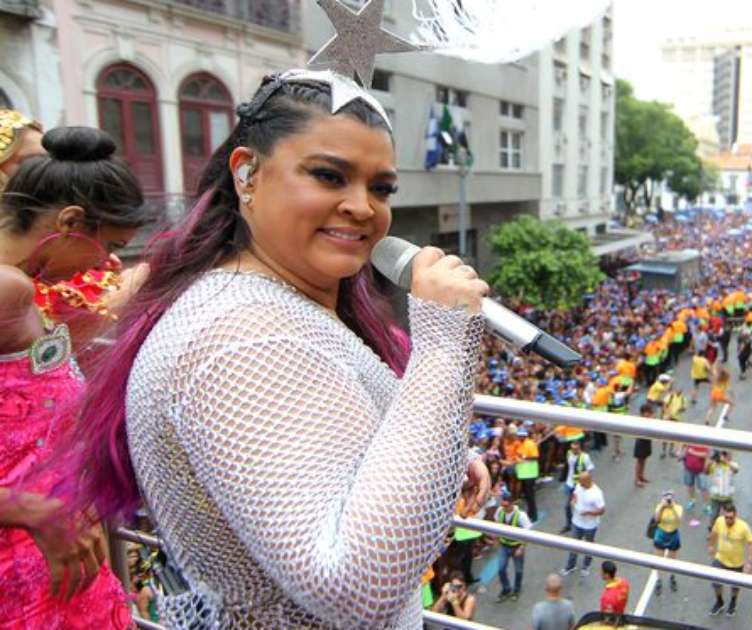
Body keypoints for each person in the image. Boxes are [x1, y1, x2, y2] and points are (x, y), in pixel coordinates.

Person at [56, 71, 492, 628]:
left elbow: (322, 443)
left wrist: (438, 454)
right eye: (328, 175)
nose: (362, 207)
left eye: (381, 189)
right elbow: (358, 584)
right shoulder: (240, 335)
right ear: (247, 174)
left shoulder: (276, 302)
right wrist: (445, 345)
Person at [2, 125, 154, 630]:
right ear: (68, 222)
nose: (108, 263)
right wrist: (30, 509)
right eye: (109, 244)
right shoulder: (7, 291)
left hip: (52, 568)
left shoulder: (25, 289)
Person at [708, 503, 752, 617]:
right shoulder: (720, 521)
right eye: (726, 517)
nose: (728, 520)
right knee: (716, 583)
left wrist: (749, 562)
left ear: (735, 516)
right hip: (720, 559)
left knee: (735, 586)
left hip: (736, 563)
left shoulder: (743, 527)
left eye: (731, 517)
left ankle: (733, 602)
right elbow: (714, 533)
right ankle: (719, 601)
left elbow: (751, 544)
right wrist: (711, 545)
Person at [562, 471, 605, 576]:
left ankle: (586, 565)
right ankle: (570, 566)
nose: (579, 484)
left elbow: (602, 510)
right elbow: (575, 494)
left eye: (581, 482)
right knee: (574, 545)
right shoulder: (579, 486)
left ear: (588, 480)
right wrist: (573, 500)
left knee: (588, 545)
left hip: (590, 525)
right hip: (576, 522)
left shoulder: (597, 494)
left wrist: (588, 512)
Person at [494, 492, 533, 602]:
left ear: (512, 503)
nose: (504, 508)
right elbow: (497, 525)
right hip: (504, 545)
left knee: (518, 571)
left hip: (516, 547)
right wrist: (496, 538)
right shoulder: (499, 511)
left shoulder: (521, 515)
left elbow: (528, 533)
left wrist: (522, 547)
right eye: (503, 505)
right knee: (501, 569)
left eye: (506, 505)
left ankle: (516, 590)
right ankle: (506, 589)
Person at [651, 490, 684, 595]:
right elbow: (657, 519)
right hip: (661, 533)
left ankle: (672, 576)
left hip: (673, 534)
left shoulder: (678, 508)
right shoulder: (659, 507)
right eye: (666, 498)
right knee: (659, 559)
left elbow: (679, 520)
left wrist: (673, 507)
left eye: (670, 498)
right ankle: (659, 580)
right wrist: (662, 507)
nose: (669, 500)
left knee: (672, 559)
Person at [560, 440, 594, 534]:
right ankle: (569, 524)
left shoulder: (585, 457)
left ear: (579, 447)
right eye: (572, 447)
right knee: (567, 506)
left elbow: (590, 470)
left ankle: (582, 525)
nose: (574, 450)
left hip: (579, 485)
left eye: (576, 448)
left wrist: (588, 484)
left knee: (580, 505)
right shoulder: (569, 454)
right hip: (569, 484)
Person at [708, 450, 740, 521]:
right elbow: (706, 471)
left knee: (729, 515)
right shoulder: (714, 465)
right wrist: (711, 460)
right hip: (715, 496)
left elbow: (736, 469)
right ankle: (713, 528)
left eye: (725, 454)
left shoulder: (732, 464)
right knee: (714, 515)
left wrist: (726, 461)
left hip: (727, 497)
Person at [660, 378, 687, 458]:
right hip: (668, 418)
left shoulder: (683, 399)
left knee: (673, 436)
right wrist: (667, 414)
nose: (679, 391)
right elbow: (664, 405)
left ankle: (671, 451)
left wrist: (682, 409)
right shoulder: (671, 396)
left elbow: (684, 408)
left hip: (676, 419)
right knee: (665, 435)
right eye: (678, 389)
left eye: (680, 390)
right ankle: (663, 451)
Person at [681, 442, 711, 512]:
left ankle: (707, 505)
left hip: (701, 470)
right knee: (690, 485)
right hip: (688, 468)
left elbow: (705, 454)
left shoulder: (703, 441)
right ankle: (691, 500)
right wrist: (681, 453)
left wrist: (693, 452)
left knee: (704, 488)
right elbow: (683, 448)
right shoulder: (688, 440)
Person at [633, 403, 655, 487]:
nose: (649, 414)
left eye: (650, 412)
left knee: (644, 460)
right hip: (641, 442)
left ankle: (641, 476)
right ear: (642, 413)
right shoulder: (641, 421)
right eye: (648, 412)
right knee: (639, 461)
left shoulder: (648, 419)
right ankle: (636, 479)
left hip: (647, 441)